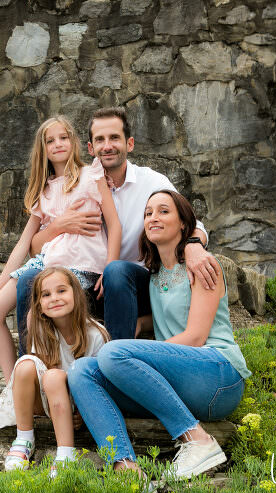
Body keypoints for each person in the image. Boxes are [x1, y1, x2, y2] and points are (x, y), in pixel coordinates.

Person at [68, 190, 252, 480]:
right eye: (148, 213)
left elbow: (194, 337)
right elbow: (160, 319)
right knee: (82, 371)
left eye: (163, 211)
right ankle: (127, 471)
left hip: (218, 376)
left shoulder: (203, 265)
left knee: (114, 354)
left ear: (183, 224)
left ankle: (198, 441)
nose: (153, 217)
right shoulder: (155, 277)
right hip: (178, 383)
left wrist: (133, 355)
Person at [15, 107, 221, 352]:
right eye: (100, 140)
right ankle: (28, 368)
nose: (107, 146)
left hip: (139, 285)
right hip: (90, 282)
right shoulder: (77, 183)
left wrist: (193, 246)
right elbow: (37, 248)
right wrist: (59, 225)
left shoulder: (151, 182)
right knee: (30, 280)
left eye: (114, 138)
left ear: (129, 144)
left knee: (116, 270)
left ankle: (116, 363)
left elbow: (193, 225)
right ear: (90, 149)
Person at [0, 116, 121, 381]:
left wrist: (110, 268)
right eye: (50, 140)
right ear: (42, 149)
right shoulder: (43, 189)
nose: (58, 144)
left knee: (33, 297)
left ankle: (34, 376)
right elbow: (25, 245)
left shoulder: (91, 174)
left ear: (74, 141)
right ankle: (15, 383)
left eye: (63, 137)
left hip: (81, 265)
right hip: (49, 262)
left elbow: (114, 225)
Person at [0, 267, 110, 475]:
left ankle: (66, 454)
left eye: (61, 291)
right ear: (39, 305)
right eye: (46, 295)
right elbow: (44, 375)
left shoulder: (96, 334)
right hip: (50, 399)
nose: (54, 298)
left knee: (54, 376)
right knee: (26, 364)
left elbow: (102, 383)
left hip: (84, 402)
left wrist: (82, 411)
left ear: (77, 294)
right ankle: (24, 440)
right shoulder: (42, 331)